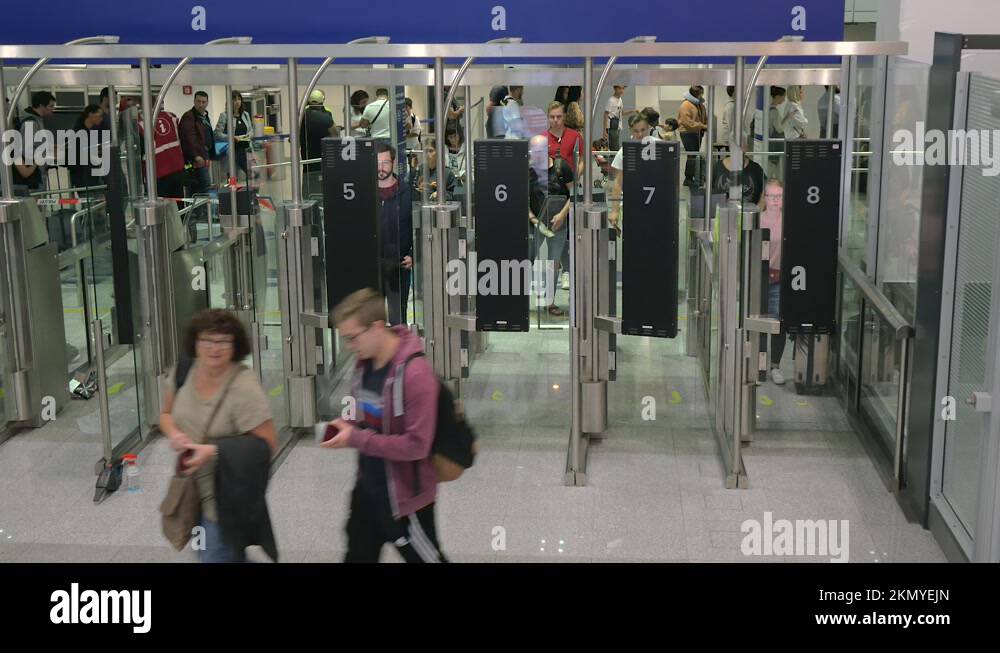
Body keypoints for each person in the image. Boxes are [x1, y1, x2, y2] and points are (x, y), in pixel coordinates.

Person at [322, 288, 446, 563]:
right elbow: (364, 415)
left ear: (377, 327)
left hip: (406, 500)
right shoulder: (364, 363)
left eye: (352, 338)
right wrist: (346, 425)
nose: (349, 346)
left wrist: (355, 438)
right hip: (368, 489)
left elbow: (417, 446)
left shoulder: (415, 374)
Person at [159, 309, 278, 563]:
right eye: (207, 340)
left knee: (215, 555)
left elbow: (267, 445)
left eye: (224, 341)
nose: (215, 348)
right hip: (192, 488)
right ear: (195, 342)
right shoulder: (183, 371)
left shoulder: (244, 386)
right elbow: (166, 414)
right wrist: (175, 434)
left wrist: (213, 451)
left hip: (226, 495)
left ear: (235, 346)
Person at [527, 139, 573, 318]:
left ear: (547, 148)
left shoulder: (562, 168)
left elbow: (575, 193)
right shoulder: (529, 172)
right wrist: (533, 219)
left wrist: (562, 215)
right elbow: (522, 199)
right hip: (534, 223)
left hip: (558, 223)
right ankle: (520, 299)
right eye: (534, 150)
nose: (537, 153)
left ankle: (550, 301)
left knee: (554, 263)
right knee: (526, 260)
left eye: (540, 149)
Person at [376, 143, 414, 325]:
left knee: (398, 318)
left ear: (393, 163)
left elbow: (417, 227)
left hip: (399, 267)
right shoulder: (365, 193)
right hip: (373, 267)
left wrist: (414, 255)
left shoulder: (406, 192)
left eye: (385, 162)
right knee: (373, 321)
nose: (381, 168)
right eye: (377, 163)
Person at [759, 179, 788, 385]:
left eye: (779, 196)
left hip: (779, 278)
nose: (775, 200)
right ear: (765, 198)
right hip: (758, 277)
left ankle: (775, 365)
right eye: (772, 196)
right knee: (758, 322)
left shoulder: (788, 221)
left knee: (778, 323)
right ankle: (758, 366)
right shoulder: (756, 219)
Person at [609, 112, 657, 229]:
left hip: (655, 204)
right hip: (631, 205)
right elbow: (618, 183)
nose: (640, 134)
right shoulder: (624, 152)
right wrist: (615, 210)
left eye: (643, 130)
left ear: (648, 128)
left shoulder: (659, 146)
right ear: (630, 130)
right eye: (636, 131)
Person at [12, 90, 56, 191]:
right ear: (41, 105)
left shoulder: (36, 120)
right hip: (32, 178)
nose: (52, 109)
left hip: (36, 174)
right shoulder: (31, 123)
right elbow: (27, 151)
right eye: (50, 106)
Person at [179, 91, 217, 197]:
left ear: (207, 103)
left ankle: (201, 212)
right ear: (194, 101)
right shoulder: (189, 117)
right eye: (198, 101)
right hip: (196, 159)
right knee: (203, 187)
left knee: (202, 188)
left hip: (205, 156)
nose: (201, 104)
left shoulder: (204, 117)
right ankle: (200, 212)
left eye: (203, 102)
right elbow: (188, 138)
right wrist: (196, 156)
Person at [215, 90, 255, 180]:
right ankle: (234, 194)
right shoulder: (224, 116)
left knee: (254, 175)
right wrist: (231, 138)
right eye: (234, 99)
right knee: (233, 179)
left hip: (246, 150)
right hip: (232, 152)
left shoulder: (245, 115)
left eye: (239, 99)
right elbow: (217, 133)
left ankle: (253, 194)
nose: (237, 102)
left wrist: (248, 135)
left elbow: (251, 130)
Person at [299, 89, 338, 182]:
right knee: (323, 173)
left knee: (308, 173)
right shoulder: (326, 116)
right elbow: (335, 134)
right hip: (323, 150)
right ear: (322, 101)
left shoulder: (302, 113)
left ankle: (306, 194)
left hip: (307, 151)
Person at [68, 105, 105, 189]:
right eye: (99, 116)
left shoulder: (89, 131)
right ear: (90, 114)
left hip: (88, 173)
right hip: (83, 175)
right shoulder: (79, 132)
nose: (101, 119)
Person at [678, 85, 708, 187]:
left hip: (697, 132)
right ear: (696, 94)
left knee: (693, 155)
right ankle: (688, 178)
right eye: (701, 93)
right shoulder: (686, 105)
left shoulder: (700, 105)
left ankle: (692, 178)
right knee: (692, 155)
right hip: (687, 133)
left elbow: (704, 117)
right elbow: (687, 123)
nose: (702, 95)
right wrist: (702, 125)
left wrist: (704, 125)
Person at [546, 101, 582, 176]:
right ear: (548, 117)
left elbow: (584, 160)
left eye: (559, 117)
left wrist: (576, 176)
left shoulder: (575, 136)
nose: (555, 120)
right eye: (552, 117)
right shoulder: (541, 138)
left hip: (570, 183)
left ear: (564, 117)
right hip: (549, 183)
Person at [603, 84, 636, 150]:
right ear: (615, 88)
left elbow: (622, 113)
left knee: (616, 145)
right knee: (614, 147)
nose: (621, 90)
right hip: (611, 126)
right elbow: (605, 115)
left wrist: (632, 111)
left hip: (617, 126)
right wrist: (604, 131)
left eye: (623, 88)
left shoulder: (620, 100)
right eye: (619, 88)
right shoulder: (611, 100)